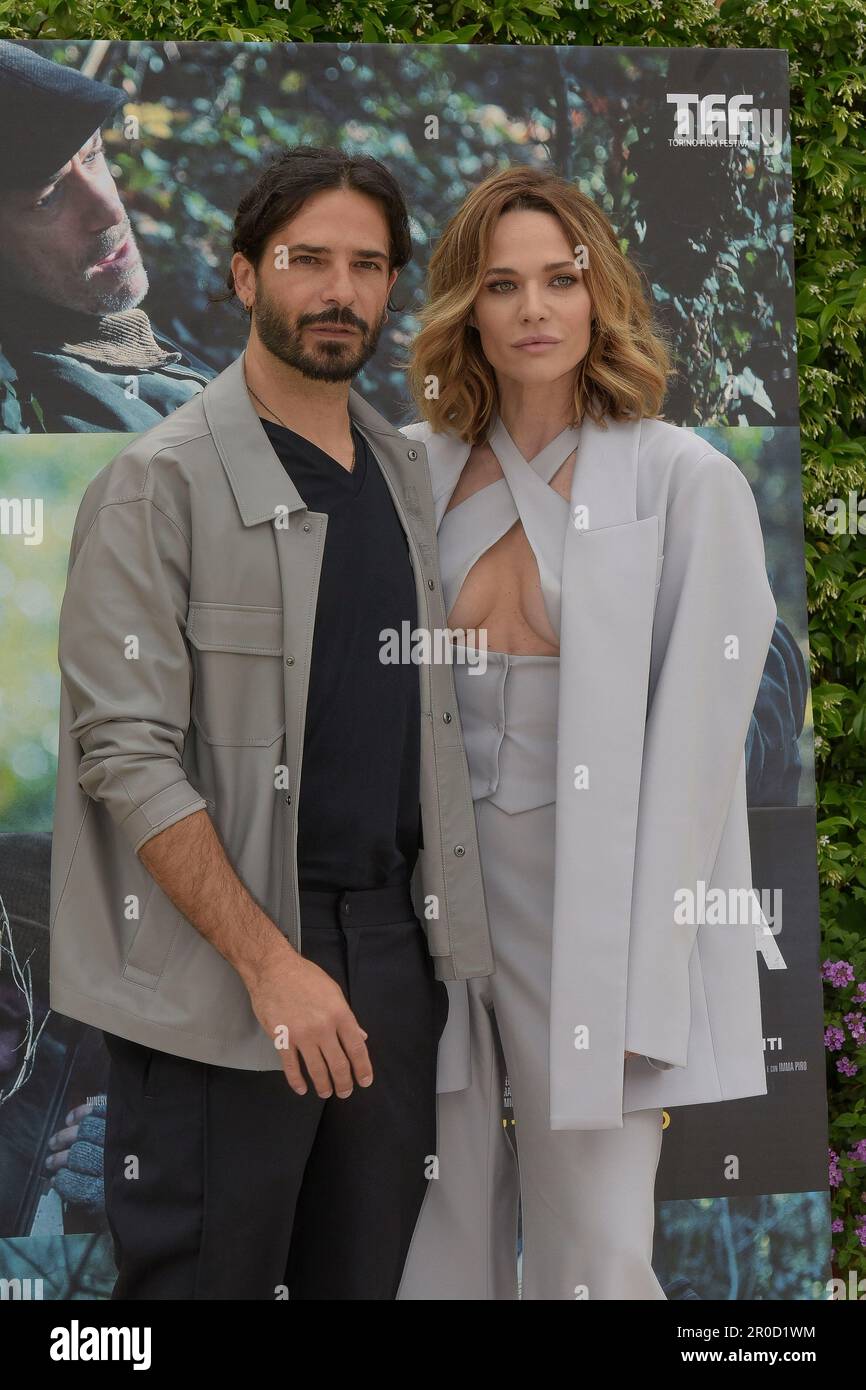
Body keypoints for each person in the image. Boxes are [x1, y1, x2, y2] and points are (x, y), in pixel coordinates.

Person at [49, 145, 494, 1300]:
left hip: (392, 961)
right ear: (245, 277)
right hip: (224, 975)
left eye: (364, 265)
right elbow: (124, 753)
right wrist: (270, 965)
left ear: (392, 287)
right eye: (305, 261)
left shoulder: (403, 472)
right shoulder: (160, 484)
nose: (336, 291)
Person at [395, 165, 778, 1301]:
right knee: (434, 1245)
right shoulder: (410, 469)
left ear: (596, 291)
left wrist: (644, 979)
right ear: (465, 305)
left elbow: (698, 759)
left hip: (596, 911)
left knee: (596, 1261)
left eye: (557, 280)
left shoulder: (680, 479)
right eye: (499, 285)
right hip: (430, 905)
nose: (531, 311)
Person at [0, 39, 213, 433]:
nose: (110, 211)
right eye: (48, 198)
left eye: (93, 155)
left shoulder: (89, 317)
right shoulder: (43, 408)